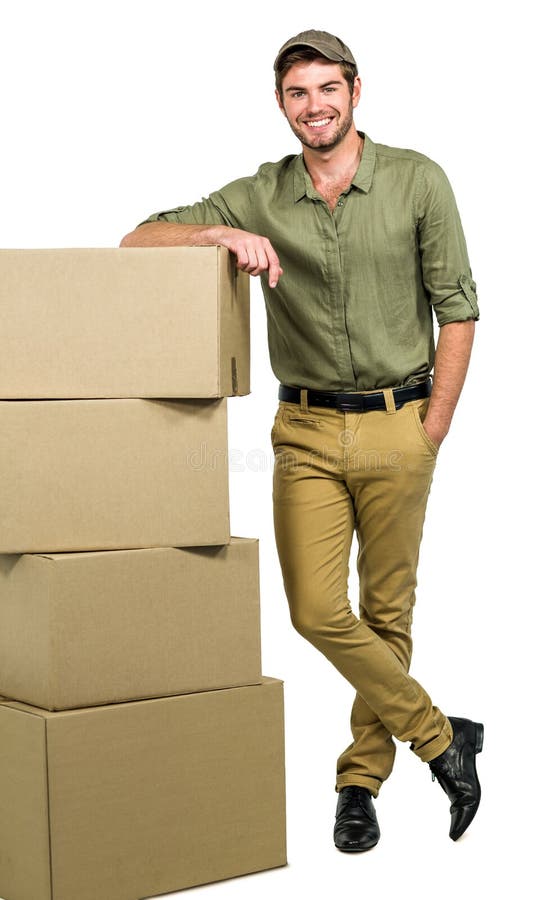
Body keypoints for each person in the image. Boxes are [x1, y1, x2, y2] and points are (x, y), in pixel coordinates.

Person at [121, 29, 484, 850]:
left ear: (357, 91)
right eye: (296, 93)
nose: (313, 106)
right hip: (308, 430)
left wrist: (430, 430)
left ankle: (359, 782)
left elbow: (458, 309)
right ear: (280, 104)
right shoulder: (261, 193)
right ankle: (440, 738)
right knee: (318, 610)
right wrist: (219, 236)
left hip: (402, 421)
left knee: (386, 611)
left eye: (327, 89)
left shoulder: (418, 180)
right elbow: (137, 238)